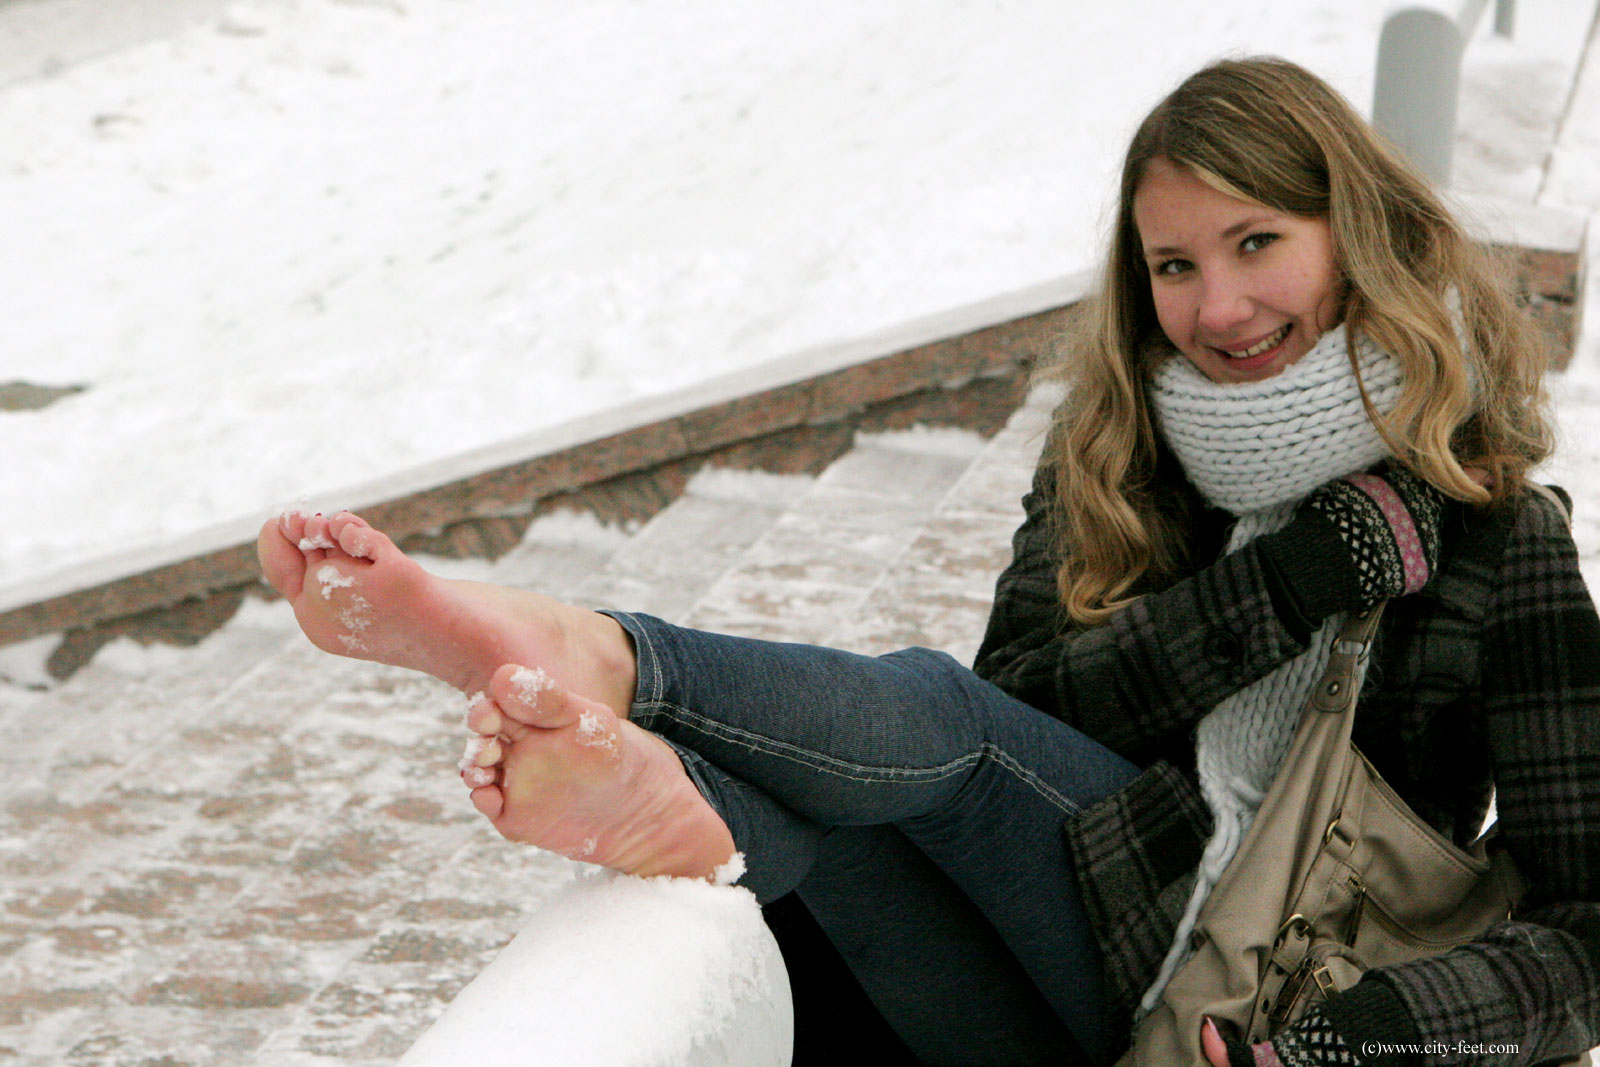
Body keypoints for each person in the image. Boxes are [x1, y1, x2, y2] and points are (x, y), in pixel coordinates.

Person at [256, 56, 1600, 1067]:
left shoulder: (1495, 537)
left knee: (923, 730)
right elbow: (1031, 714)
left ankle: (619, 671)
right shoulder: (1116, 448)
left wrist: (1361, 1035)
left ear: (1351, 234)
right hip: (1068, 951)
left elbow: (1587, 927)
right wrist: (1285, 587)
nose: (1219, 306)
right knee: (873, 781)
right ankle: (695, 802)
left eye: (1258, 243)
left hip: (1269, 1010)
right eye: (1176, 264)